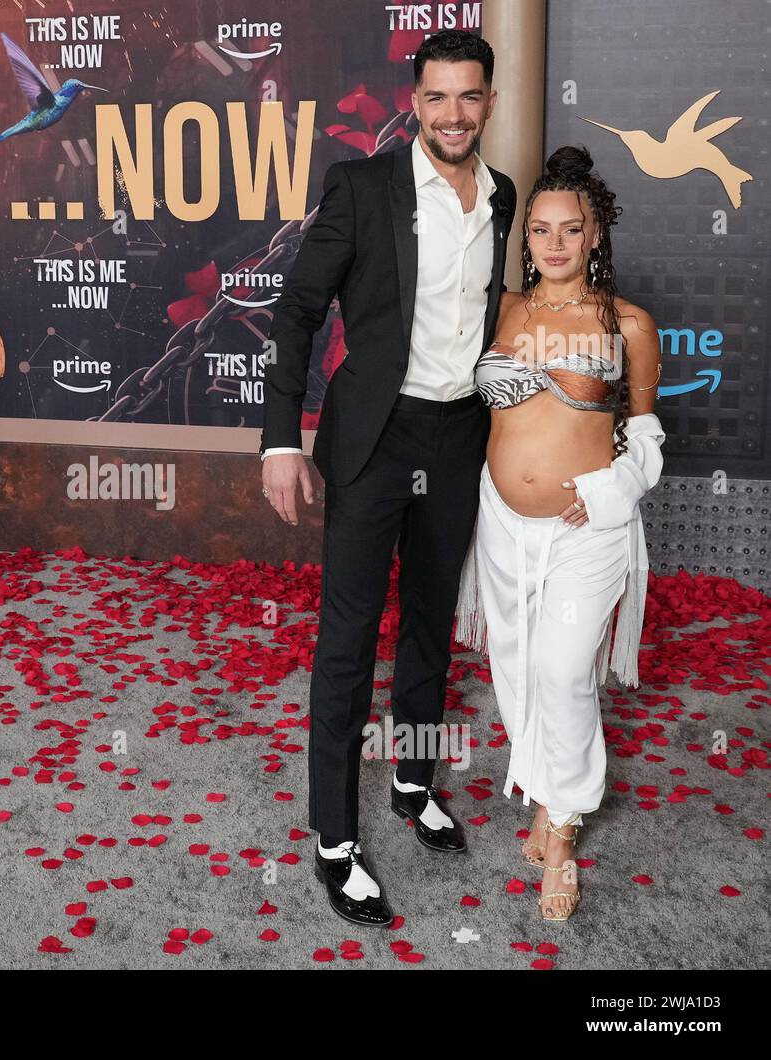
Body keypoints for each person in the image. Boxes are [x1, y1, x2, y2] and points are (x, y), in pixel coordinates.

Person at [260, 30, 517, 926]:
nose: (454, 113)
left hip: (457, 439)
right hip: (374, 438)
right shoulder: (363, 188)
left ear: (490, 101)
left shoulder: (503, 196)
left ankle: (413, 781)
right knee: (349, 640)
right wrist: (279, 441)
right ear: (415, 102)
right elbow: (296, 313)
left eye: (470, 96)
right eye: (438, 96)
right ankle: (335, 839)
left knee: (429, 630)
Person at [454, 145, 664, 922]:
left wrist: (611, 486)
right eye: (539, 230)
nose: (552, 244)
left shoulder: (628, 324)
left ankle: (565, 822)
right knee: (513, 664)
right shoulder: (502, 310)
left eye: (569, 230)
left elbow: (645, 436)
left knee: (564, 666)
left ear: (595, 235)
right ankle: (545, 792)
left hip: (588, 530)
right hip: (502, 522)